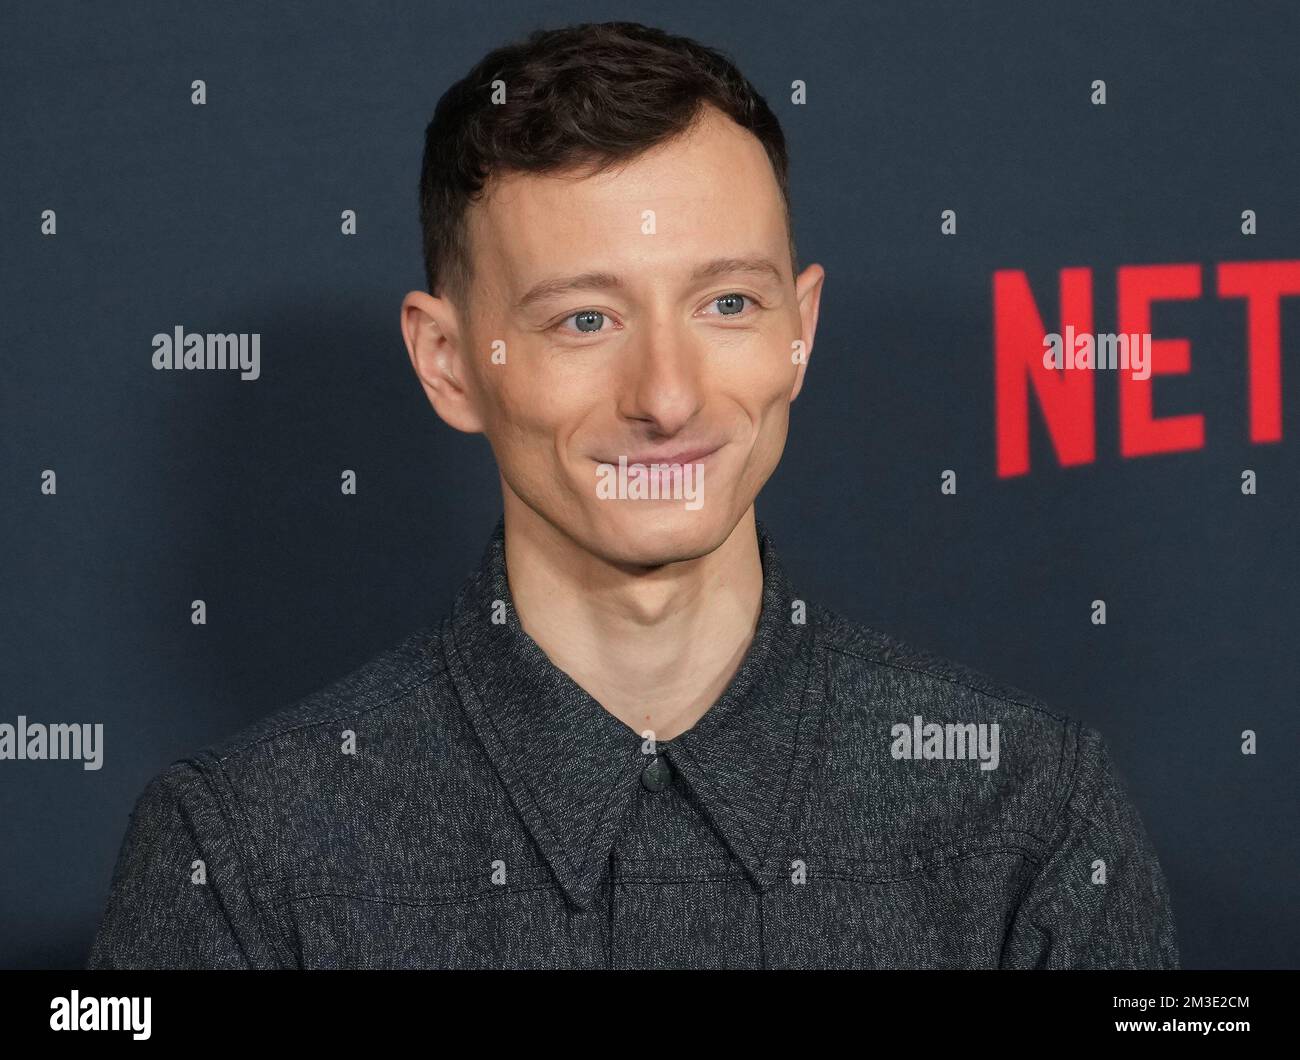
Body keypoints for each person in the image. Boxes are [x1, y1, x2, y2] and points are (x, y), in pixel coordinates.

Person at [87, 20, 1178, 969]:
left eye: (728, 304)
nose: (666, 397)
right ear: (448, 361)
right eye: (585, 320)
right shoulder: (234, 856)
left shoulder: (1031, 816)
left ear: (800, 331)